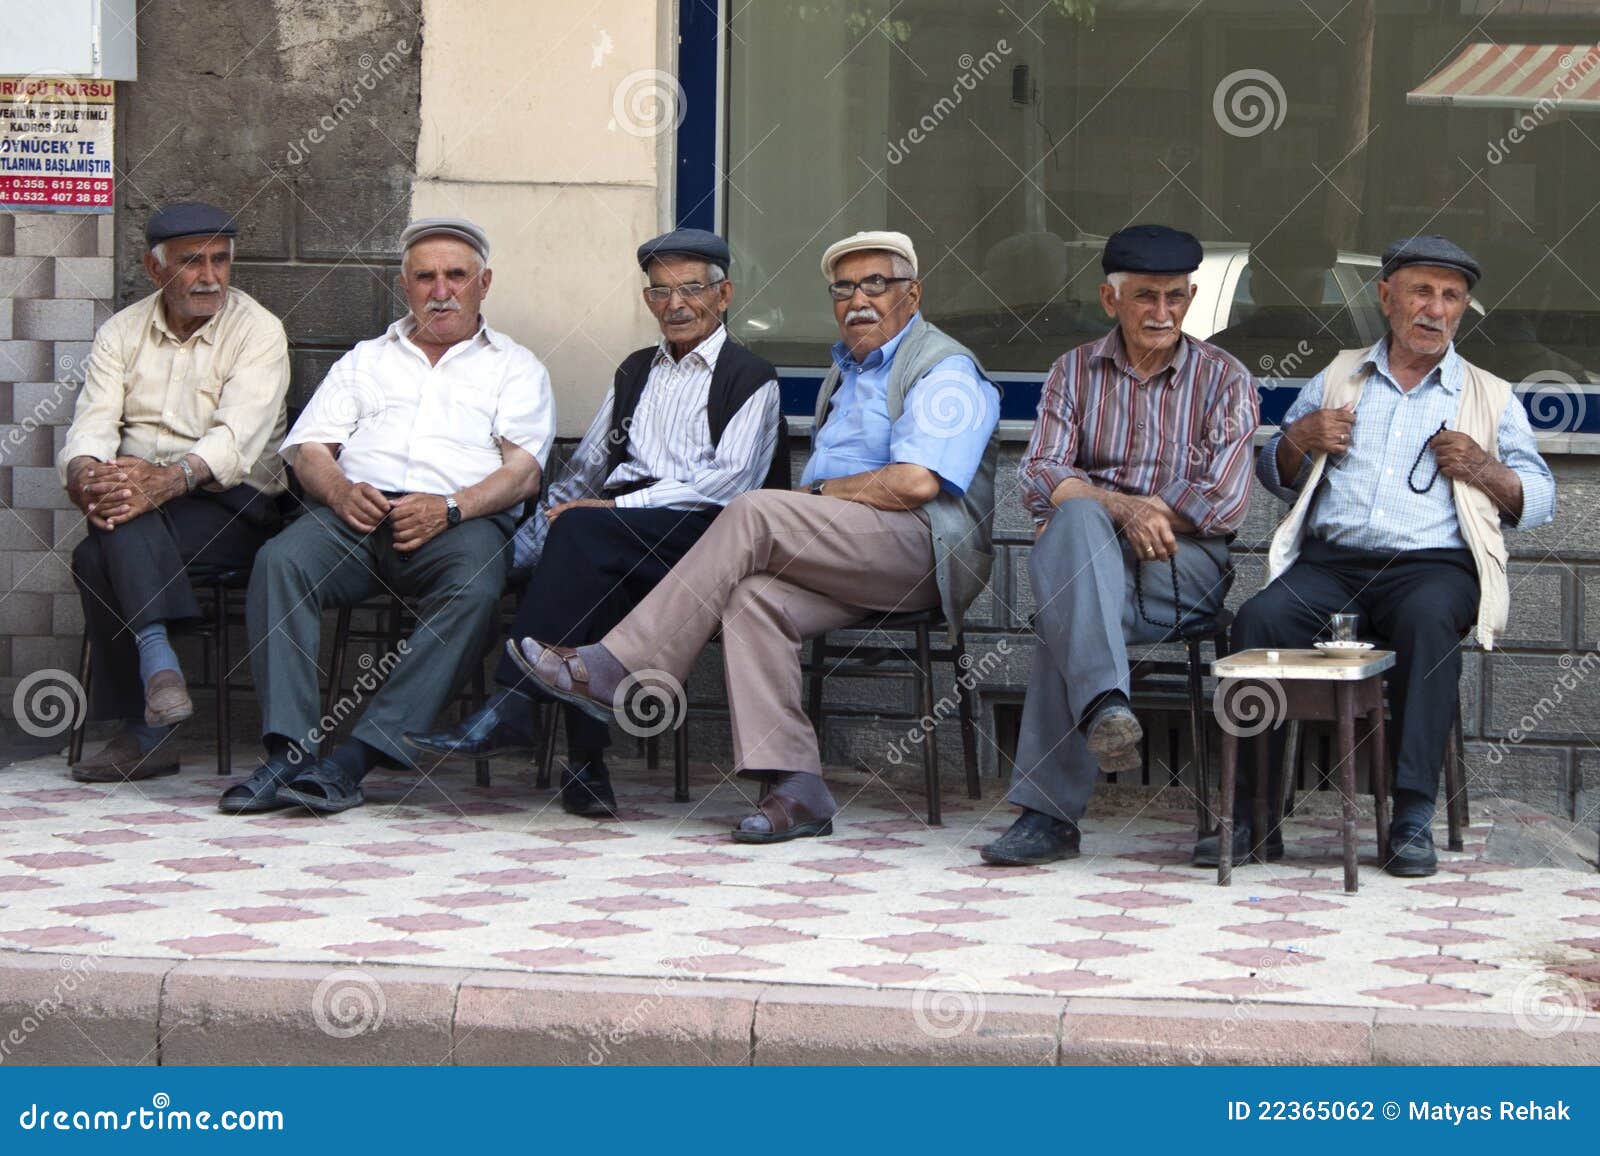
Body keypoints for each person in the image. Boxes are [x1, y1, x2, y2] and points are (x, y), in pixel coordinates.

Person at [506, 229, 1000, 840]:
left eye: (877, 283)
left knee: (750, 511)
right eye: (843, 288)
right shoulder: (845, 372)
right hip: (854, 549)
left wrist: (815, 497)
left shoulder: (944, 368)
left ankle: (619, 667)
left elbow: (917, 483)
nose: (858, 299)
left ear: (913, 292)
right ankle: (796, 787)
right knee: (753, 598)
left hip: (923, 548)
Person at [1196, 235, 1555, 877]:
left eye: (1450, 296)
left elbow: (1541, 500)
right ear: (1385, 296)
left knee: (1428, 623)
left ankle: (1411, 815)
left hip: (1432, 566)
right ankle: (1254, 815)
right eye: (1421, 291)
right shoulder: (1340, 375)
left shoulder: (1489, 395)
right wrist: (1297, 439)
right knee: (1258, 624)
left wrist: (1482, 466)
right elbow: (1276, 473)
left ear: (1463, 308)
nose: (1434, 309)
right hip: (1332, 565)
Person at [403, 228, 782, 817]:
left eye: (690, 290)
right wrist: (518, 552)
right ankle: (584, 768)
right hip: (617, 537)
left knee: (584, 537)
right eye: (658, 293)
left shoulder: (750, 376)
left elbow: (730, 483)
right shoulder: (636, 372)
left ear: (724, 294)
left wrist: (609, 510)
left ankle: (514, 706)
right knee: (586, 560)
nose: (674, 306)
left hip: (707, 534)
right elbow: (584, 474)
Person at [218, 217, 555, 815]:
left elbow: (523, 471)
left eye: (456, 275)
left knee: (476, 585)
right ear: (405, 285)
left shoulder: (515, 366)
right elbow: (310, 450)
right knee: (280, 561)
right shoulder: (366, 359)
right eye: (425, 277)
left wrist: (451, 508)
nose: (440, 290)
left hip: (460, 523)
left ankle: (354, 761)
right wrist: (342, 492)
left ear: (485, 283)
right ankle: (287, 755)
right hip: (357, 516)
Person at [981, 225, 1259, 866]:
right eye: (1144, 298)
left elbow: (1224, 500)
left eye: (1174, 298)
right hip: (1093, 563)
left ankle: (1049, 818)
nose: (1161, 313)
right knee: (1077, 540)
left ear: (1191, 298)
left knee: (1071, 581)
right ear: (1112, 300)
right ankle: (1106, 705)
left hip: (1179, 571)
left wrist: (1123, 515)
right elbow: (1039, 474)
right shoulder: (1072, 371)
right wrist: (1122, 509)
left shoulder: (1224, 379)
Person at [60, 201, 289, 783]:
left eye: (220, 261)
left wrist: (165, 480)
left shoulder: (257, 331)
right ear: (156, 268)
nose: (210, 276)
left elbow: (237, 439)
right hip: (143, 498)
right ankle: (156, 680)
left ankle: (148, 720)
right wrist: (88, 471)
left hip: (232, 506)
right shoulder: (122, 332)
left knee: (98, 552)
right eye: (192, 263)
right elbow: (92, 423)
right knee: (110, 523)